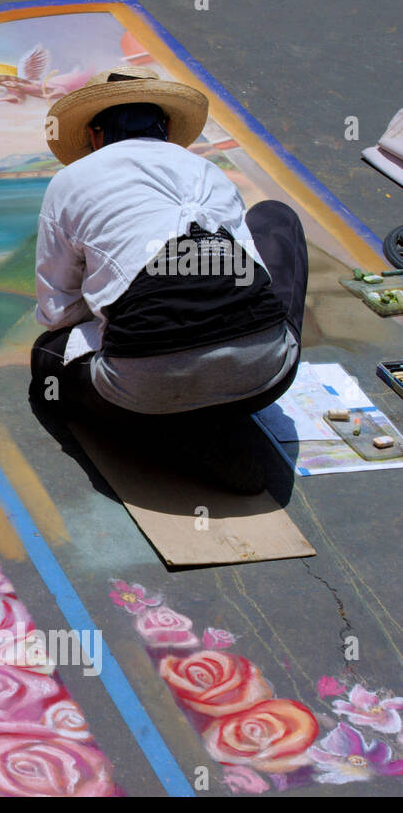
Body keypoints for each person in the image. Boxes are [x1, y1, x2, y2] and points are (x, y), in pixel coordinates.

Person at [28, 66, 309, 493]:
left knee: (47, 359)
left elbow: (59, 313)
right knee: (275, 218)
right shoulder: (209, 172)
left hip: (138, 398)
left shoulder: (70, 182)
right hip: (267, 378)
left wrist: (112, 301)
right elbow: (258, 278)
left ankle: (171, 430)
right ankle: (213, 401)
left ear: (95, 133)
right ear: (165, 127)